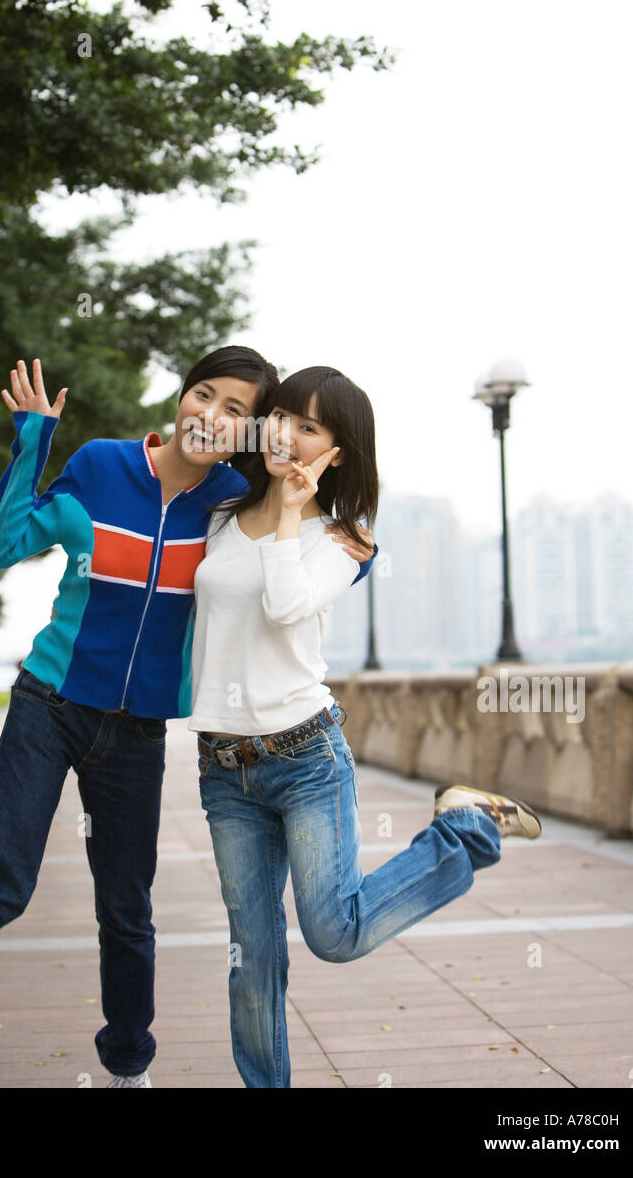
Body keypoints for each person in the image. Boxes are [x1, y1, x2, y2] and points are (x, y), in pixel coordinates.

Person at [0, 347, 375, 1088]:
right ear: (181, 396)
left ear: (250, 431)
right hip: (50, 702)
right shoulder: (104, 466)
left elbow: (300, 533)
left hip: (137, 730)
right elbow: (8, 543)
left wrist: (355, 542)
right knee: (2, 885)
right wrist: (32, 440)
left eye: (236, 410)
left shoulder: (230, 504)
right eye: (203, 394)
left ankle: (128, 1067)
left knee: (127, 910)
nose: (211, 415)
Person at [186, 365, 543, 1089]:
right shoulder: (219, 516)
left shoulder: (343, 541)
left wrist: (291, 513)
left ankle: (464, 829)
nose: (285, 433)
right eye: (280, 416)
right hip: (223, 767)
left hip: (304, 758)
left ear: (336, 452)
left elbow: (286, 606)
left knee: (335, 932)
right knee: (251, 956)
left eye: (308, 427)